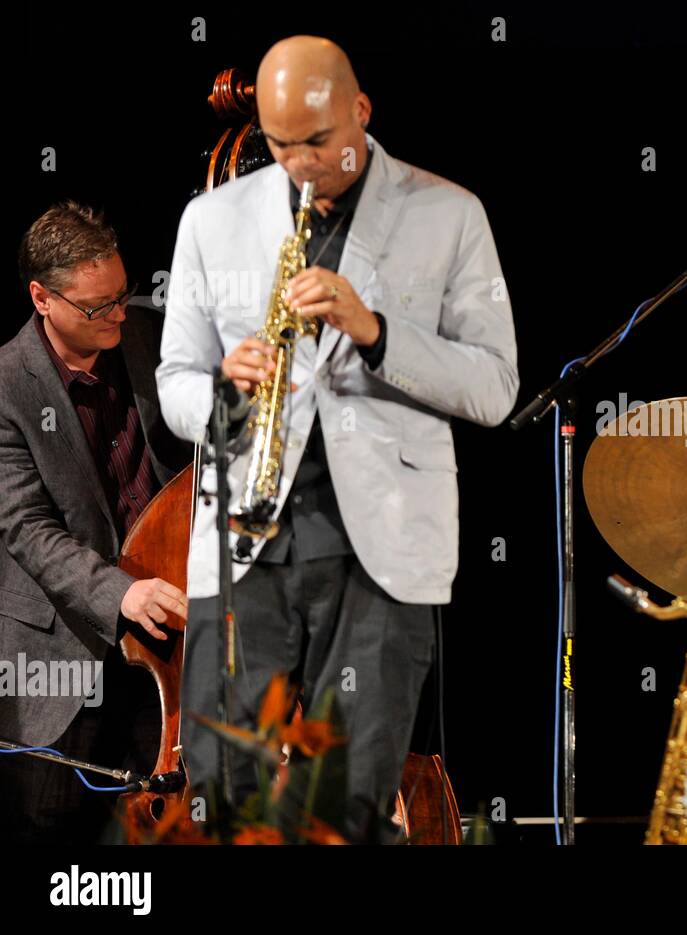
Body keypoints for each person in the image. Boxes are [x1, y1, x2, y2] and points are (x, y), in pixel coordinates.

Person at [157, 36, 518, 841]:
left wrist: (378, 332)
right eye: (281, 145)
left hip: (382, 561)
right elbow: (175, 382)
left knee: (344, 811)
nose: (300, 164)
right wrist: (223, 394)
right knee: (223, 800)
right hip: (243, 550)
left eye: (318, 142)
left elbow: (495, 386)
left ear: (360, 111)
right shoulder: (211, 220)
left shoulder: (449, 214)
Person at [0, 202, 192, 842]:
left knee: (167, 826)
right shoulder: (6, 387)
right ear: (42, 298)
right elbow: (28, 528)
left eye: (122, 295)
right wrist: (120, 591)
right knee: (56, 832)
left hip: (168, 634)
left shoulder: (145, 332)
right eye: (96, 307)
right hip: (61, 648)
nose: (116, 314)